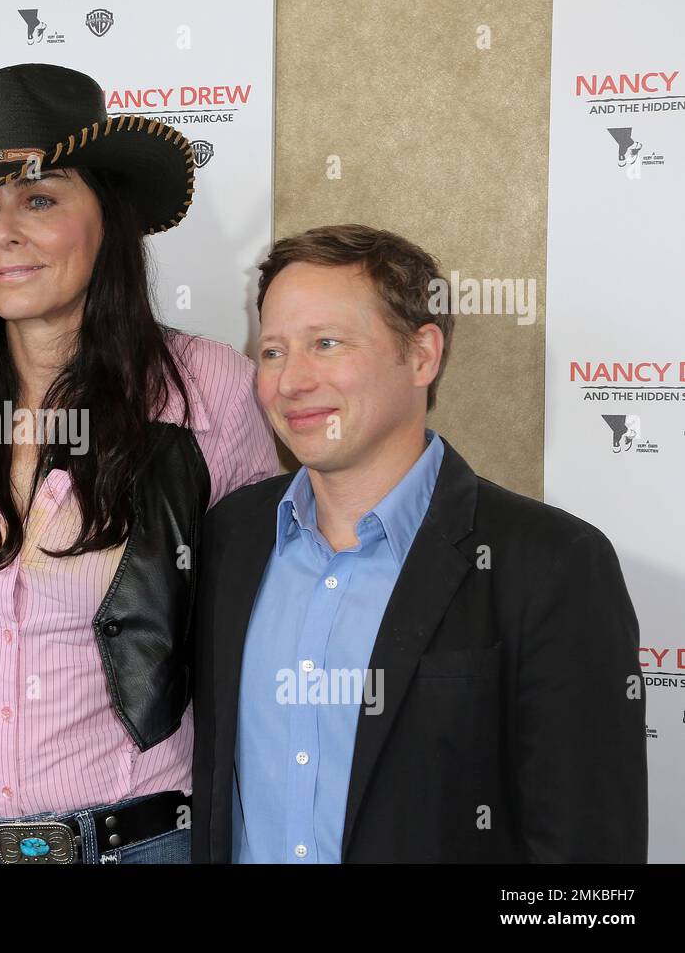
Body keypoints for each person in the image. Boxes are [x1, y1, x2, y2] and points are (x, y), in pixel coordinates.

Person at [0, 63, 278, 865]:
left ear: (109, 221)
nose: (3, 232)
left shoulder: (207, 393)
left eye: (41, 199)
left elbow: (258, 616)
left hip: (137, 844)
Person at [191, 224, 648, 863]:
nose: (290, 381)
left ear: (422, 355)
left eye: (326, 343)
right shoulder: (228, 539)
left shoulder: (552, 564)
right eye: (272, 351)